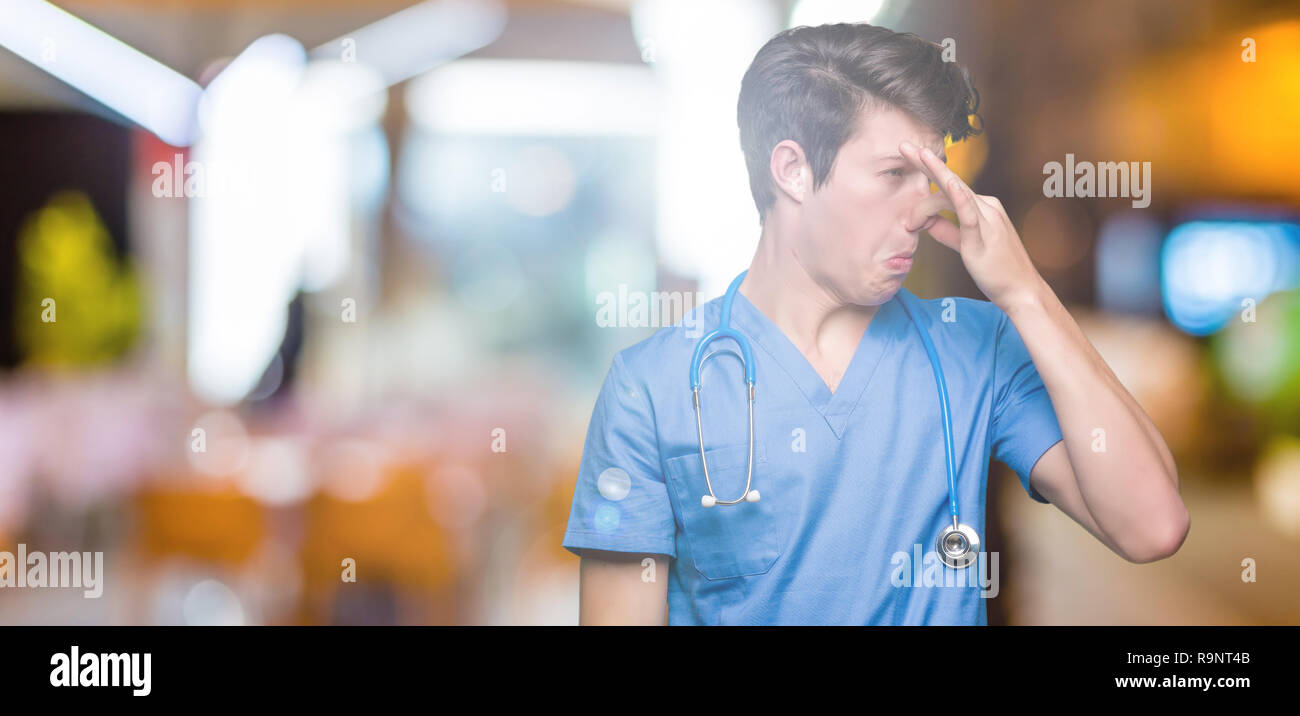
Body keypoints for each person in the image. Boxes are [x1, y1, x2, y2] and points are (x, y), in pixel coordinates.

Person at [561, 22, 1189, 625]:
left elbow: (1153, 527)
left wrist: (1025, 293)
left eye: (934, 175)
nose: (923, 209)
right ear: (793, 170)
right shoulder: (650, 388)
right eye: (894, 174)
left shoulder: (975, 347)